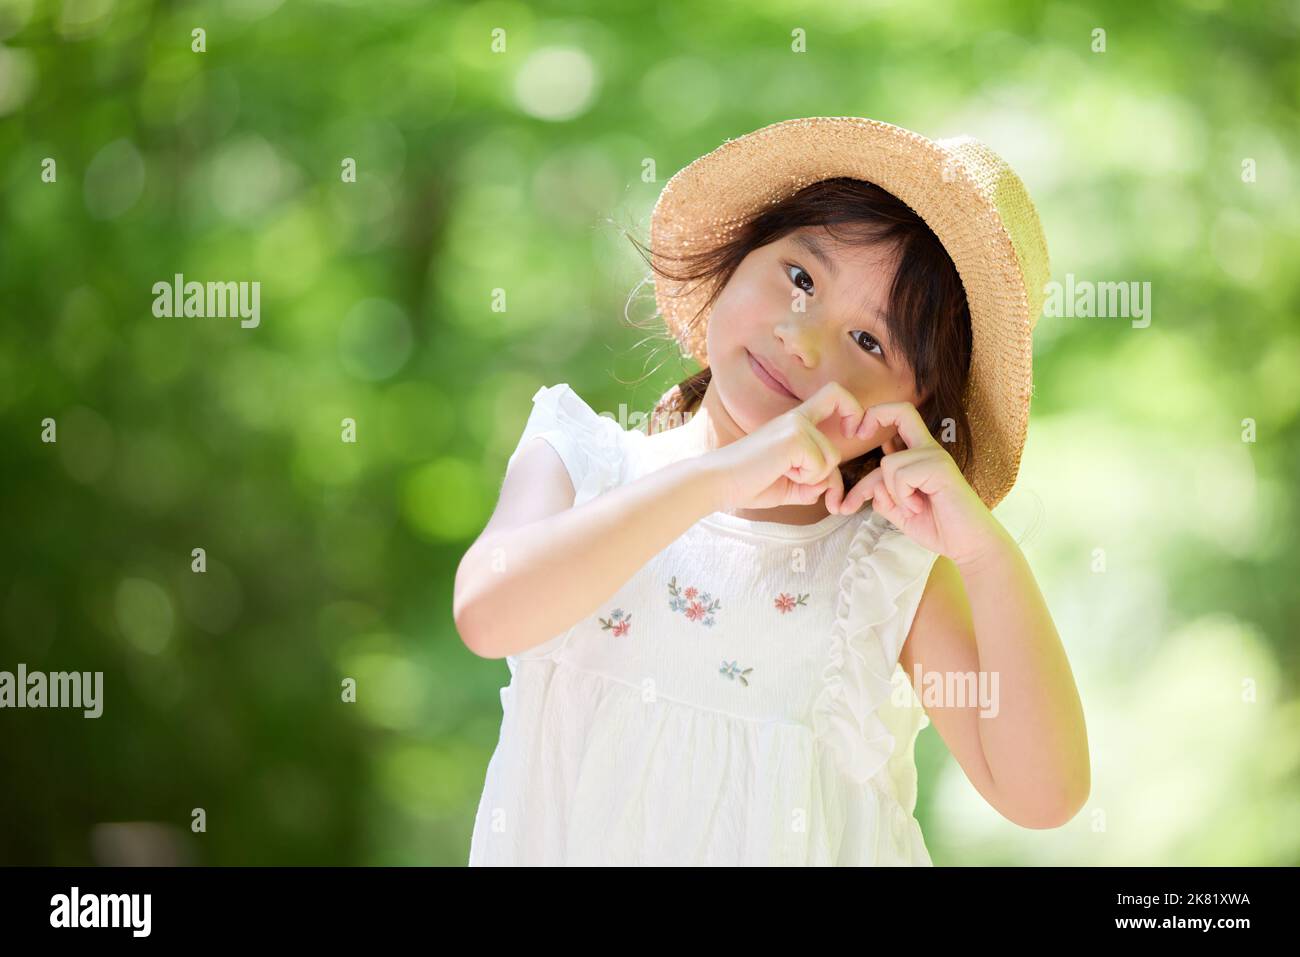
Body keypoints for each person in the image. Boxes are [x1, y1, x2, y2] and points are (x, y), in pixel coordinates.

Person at [455, 116, 1089, 865]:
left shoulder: (881, 571)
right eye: (800, 278)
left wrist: (984, 553)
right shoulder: (581, 460)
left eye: (869, 342)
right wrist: (722, 473)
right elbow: (489, 614)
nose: (804, 337)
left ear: (910, 417)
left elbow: (1043, 793)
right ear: (735, 258)